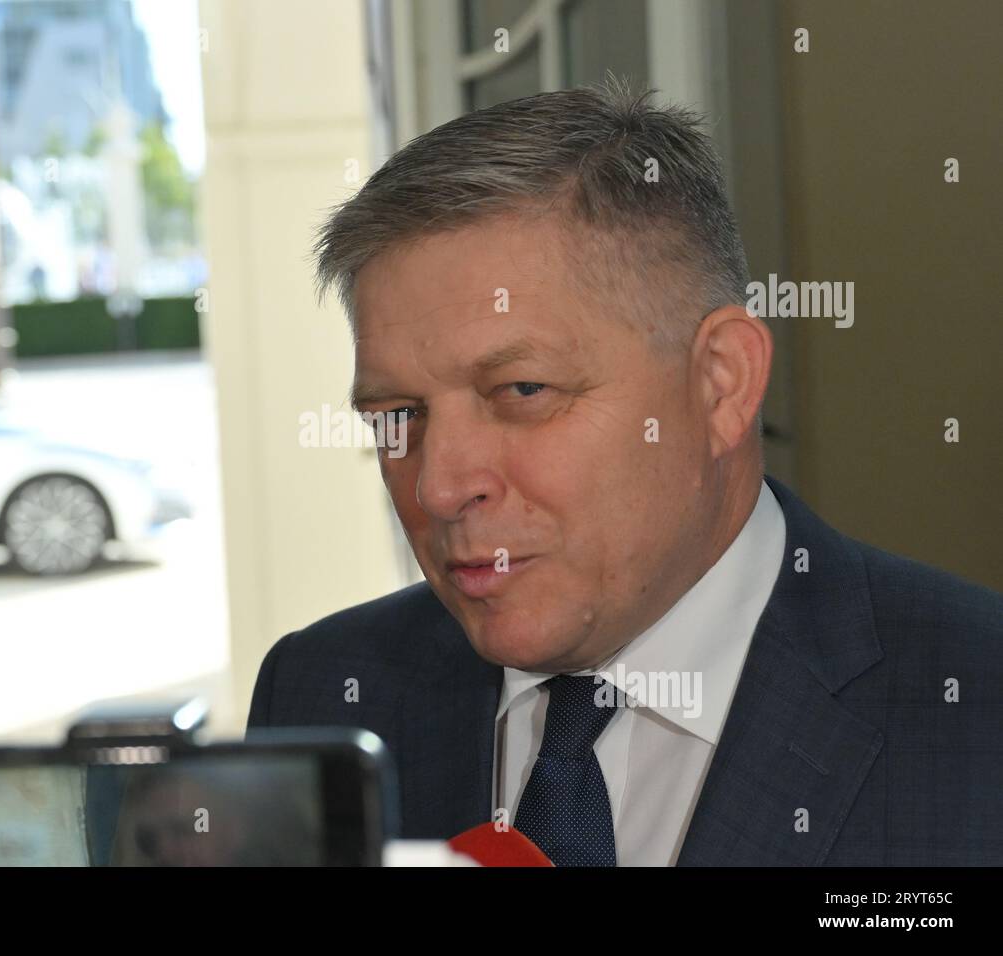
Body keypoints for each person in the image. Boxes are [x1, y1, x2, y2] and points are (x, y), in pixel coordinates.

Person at [245, 80, 1003, 865]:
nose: (438, 486)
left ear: (721, 383)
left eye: (522, 392)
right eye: (396, 416)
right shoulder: (322, 691)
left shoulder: (977, 705)